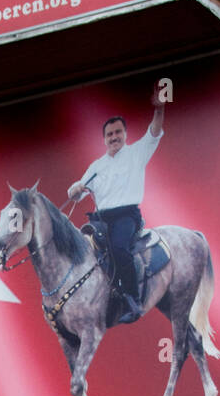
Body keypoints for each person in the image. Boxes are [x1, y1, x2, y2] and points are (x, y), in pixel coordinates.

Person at [67, 81, 166, 322]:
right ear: (104, 139)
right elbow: (76, 194)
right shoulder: (97, 166)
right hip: (101, 220)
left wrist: (159, 109)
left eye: (118, 133)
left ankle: (132, 299)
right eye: (110, 134)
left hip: (126, 216)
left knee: (119, 247)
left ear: (125, 134)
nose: (114, 137)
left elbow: (154, 131)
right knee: (81, 251)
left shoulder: (136, 153)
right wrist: (75, 189)